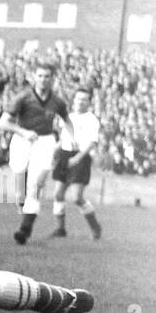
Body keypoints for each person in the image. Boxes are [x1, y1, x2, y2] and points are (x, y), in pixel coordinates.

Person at [0, 62, 74, 244]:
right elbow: (3, 122)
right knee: (20, 185)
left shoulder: (57, 101)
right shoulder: (23, 97)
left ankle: (24, 231)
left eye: (47, 76)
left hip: (45, 141)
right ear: (34, 77)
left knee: (36, 185)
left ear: (52, 79)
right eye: (40, 76)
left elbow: (67, 121)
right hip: (22, 139)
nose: (43, 80)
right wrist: (23, 132)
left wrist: (71, 140)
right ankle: (22, 202)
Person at [49, 85, 103, 240]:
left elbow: (92, 143)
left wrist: (78, 158)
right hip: (65, 155)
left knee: (77, 197)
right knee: (58, 194)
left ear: (89, 102)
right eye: (78, 99)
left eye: (85, 100)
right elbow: (64, 137)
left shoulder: (91, 120)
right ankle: (60, 229)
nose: (81, 102)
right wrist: (54, 151)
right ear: (74, 100)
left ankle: (95, 227)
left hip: (80, 157)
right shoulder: (68, 117)